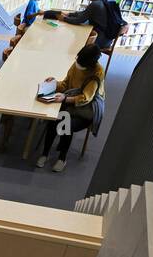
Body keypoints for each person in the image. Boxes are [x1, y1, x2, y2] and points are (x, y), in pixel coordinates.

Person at [36, 42, 105, 173]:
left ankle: (62, 158)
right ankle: (45, 153)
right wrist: (55, 83)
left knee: (65, 123)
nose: (78, 64)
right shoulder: (78, 63)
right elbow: (66, 84)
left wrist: (65, 99)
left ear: (89, 64)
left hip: (87, 109)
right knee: (53, 120)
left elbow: (86, 98)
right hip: (71, 102)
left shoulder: (97, 73)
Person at [48, 0, 123, 51]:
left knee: (75, 40)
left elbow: (79, 20)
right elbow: (84, 13)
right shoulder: (105, 0)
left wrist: (64, 18)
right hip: (107, 40)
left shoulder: (96, 4)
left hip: (100, 41)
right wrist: (69, 14)